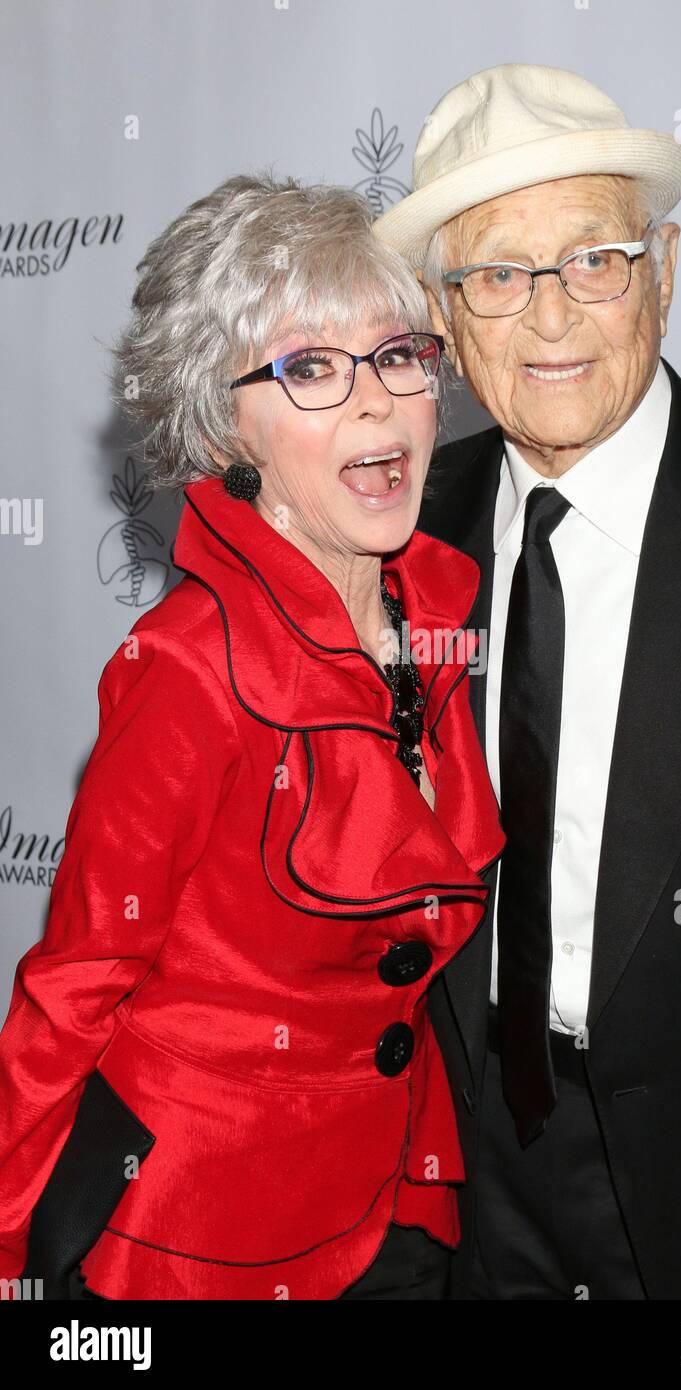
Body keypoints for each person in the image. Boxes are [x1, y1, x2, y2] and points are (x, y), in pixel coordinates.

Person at [374, 63, 681, 1300]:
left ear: (663, 266)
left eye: (592, 257)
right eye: (496, 273)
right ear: (441, 314)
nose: (549, 320)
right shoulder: (395, 539)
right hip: (472, 1178)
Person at [0, 173, 505, 1300]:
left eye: (396, 355)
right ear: (228, 423)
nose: (375, 403)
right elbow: (75, 981)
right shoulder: (184, 668)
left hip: (399, 1208)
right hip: (194, 1234)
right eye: (310, 369)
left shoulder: (441, 606)